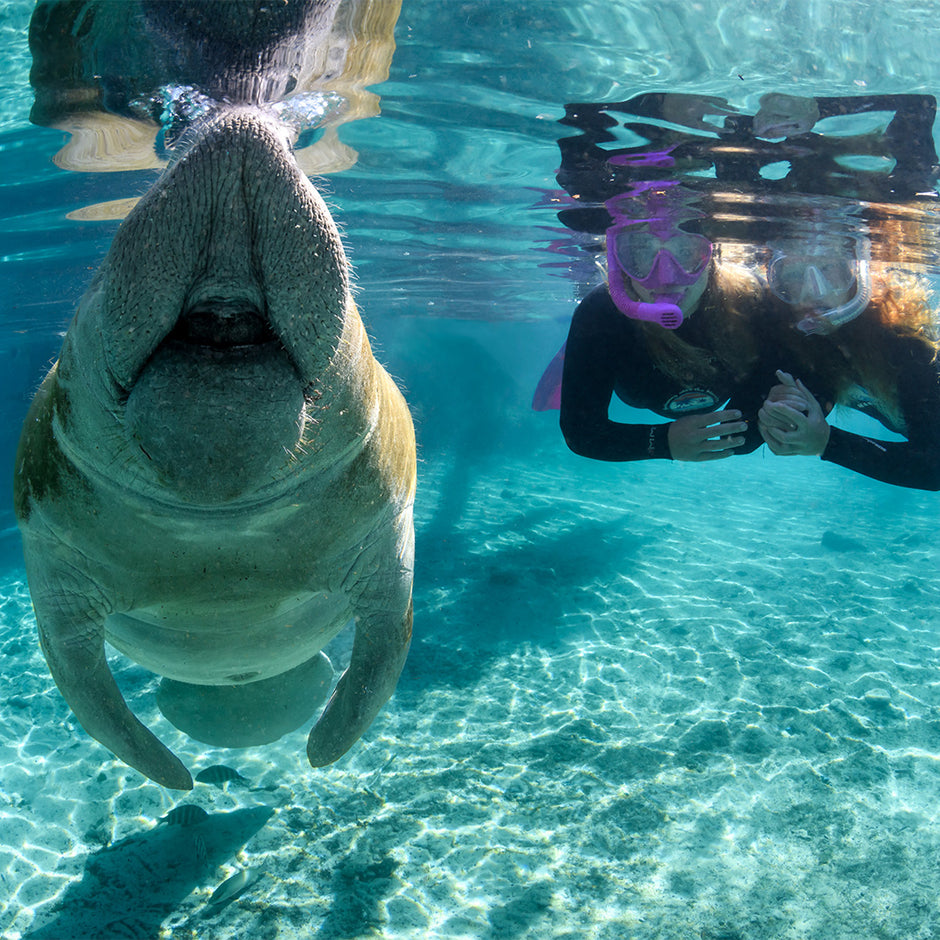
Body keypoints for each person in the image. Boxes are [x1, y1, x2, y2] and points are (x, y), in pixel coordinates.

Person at [536, 182, 940, 490]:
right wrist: (661, 442)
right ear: (617, 259)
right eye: (641, 253)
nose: (665, 277)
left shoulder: (753, 305)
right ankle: (569, 355)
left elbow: (765, 415)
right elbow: (582, 432)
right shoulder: (600, 316)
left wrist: (807, 426)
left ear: (712, 256)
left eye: (687, 253)